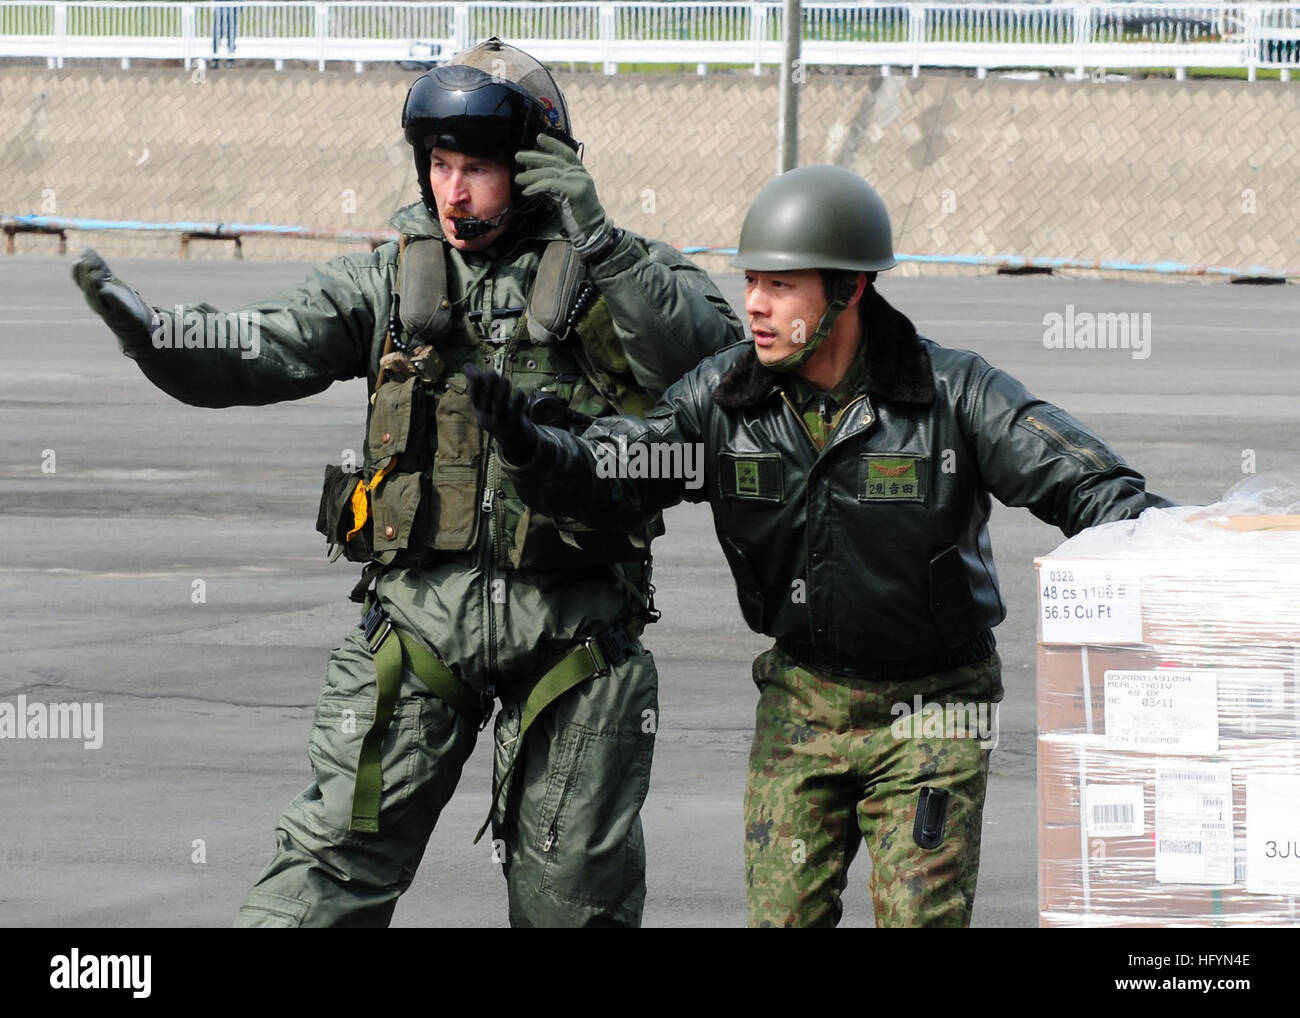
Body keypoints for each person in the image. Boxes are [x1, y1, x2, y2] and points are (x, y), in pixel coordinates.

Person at [71, 37, 742, 927]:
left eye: (477, 168)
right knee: (323, 878)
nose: (453, 192)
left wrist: (607, 247)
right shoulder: (392, 281)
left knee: (573, 902)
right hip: (417, 631)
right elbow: (270, 342)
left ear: (541, 169)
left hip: (577, 637)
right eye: (439, 165)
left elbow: (716, 369)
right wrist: (163, 339)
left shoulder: (622, 272)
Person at [466, 164, 1173, 928]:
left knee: (919, 918)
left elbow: (1091, 489)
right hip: (801, 700)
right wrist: (535, 449)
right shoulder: (725, 400)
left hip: (933, 707)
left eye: (781, 286)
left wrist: (1206, 569)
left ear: (848, 290)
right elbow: (623, 469)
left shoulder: (951, 395)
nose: (756, 307)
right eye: (751, 284)